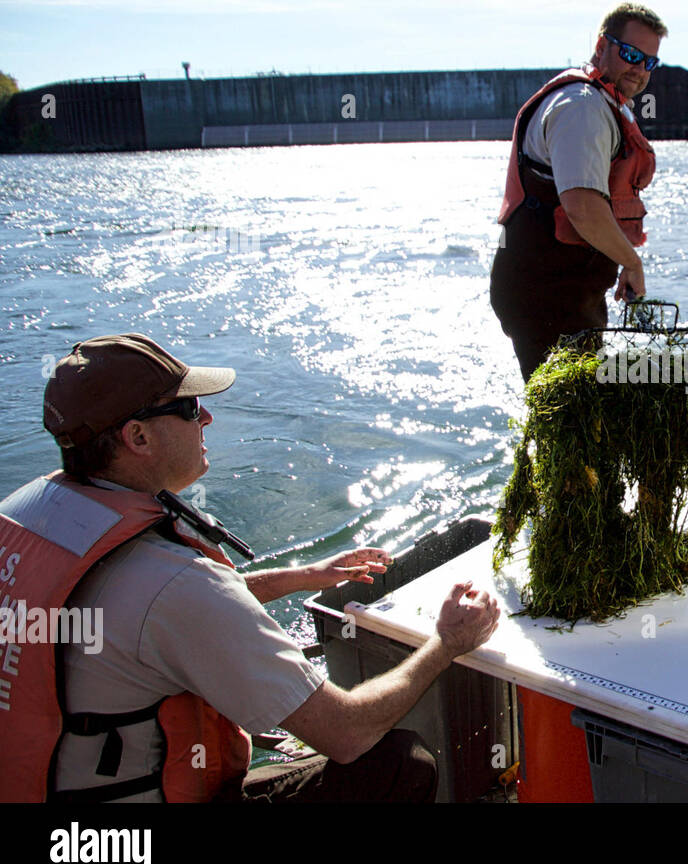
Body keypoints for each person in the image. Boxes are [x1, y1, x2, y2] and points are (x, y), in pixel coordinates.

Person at [0, 333, 499, 802]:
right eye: (189, 408)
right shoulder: (174, 584)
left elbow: (142, 617)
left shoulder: (25, 515)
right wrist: (446, 644)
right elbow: (346, 733)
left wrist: (303, 577)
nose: (208, 419)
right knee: (399, 761)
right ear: (137, 437)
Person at [491, 2, 667, 381]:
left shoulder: (601, 103)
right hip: (545, 292)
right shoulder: (582, 107)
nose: (639, 69)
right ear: (602, 46)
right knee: (572, 419)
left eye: (650, 63)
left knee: (580, 415)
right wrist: (632, 263)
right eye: (632, 54)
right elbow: (583, 207)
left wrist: (620, 259)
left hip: (565, 290)